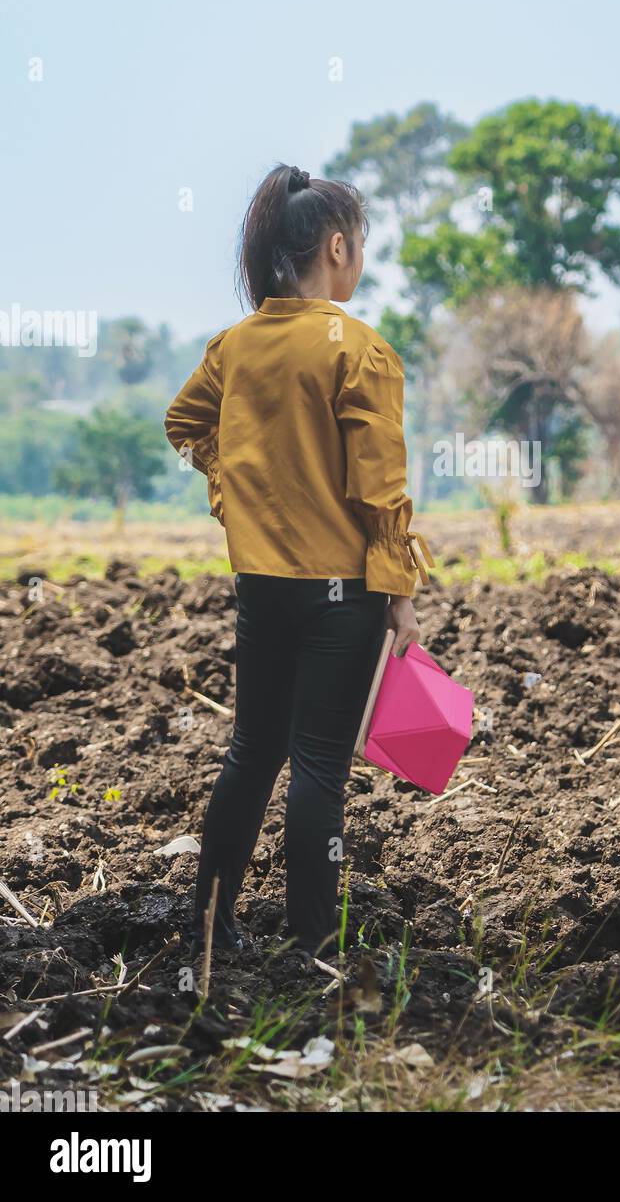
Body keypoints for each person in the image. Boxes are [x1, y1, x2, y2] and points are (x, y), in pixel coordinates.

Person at [164, 163, 433, 958]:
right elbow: (380, 488)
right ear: (338, 247)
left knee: (252, 753)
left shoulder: (235, 346)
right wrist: (400, 595)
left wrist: (236, 493)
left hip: (261, 586)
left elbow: (185, 422)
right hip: (340, 592)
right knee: (319, 765)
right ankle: (316, 944)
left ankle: (212, 925)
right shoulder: (359, 349)